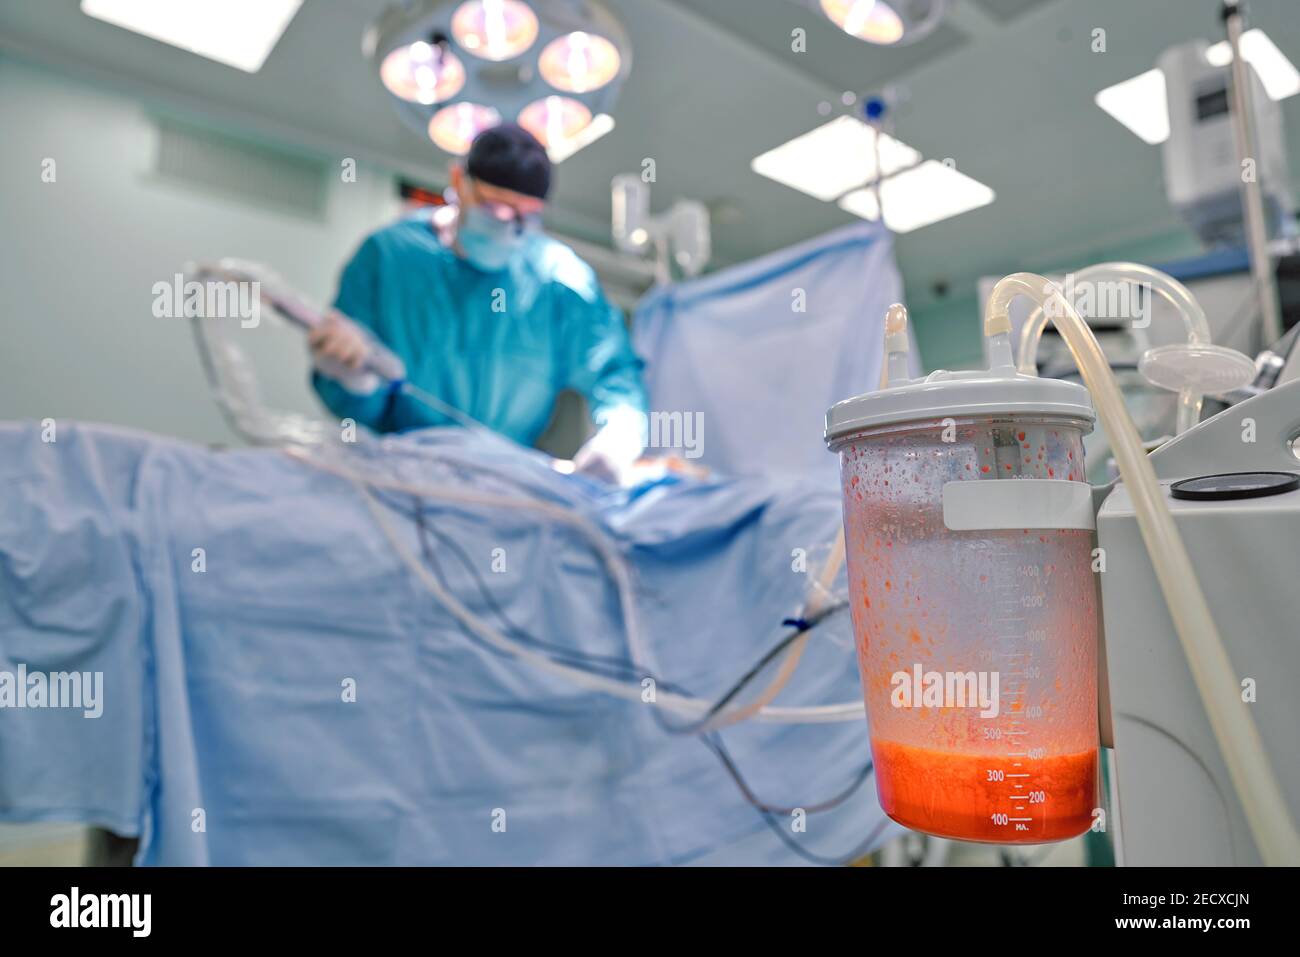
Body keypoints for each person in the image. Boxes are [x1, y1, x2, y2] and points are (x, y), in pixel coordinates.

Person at [309, 122, 648, 481]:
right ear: (458, 182)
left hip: (508, 484)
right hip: (400, 477)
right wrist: (353, 380)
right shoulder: (389, 256)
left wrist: (619, 439)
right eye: (497, 209)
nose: (511, 226)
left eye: (526, 215)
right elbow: (353, 407)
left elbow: (615, 373)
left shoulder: (558, 278)